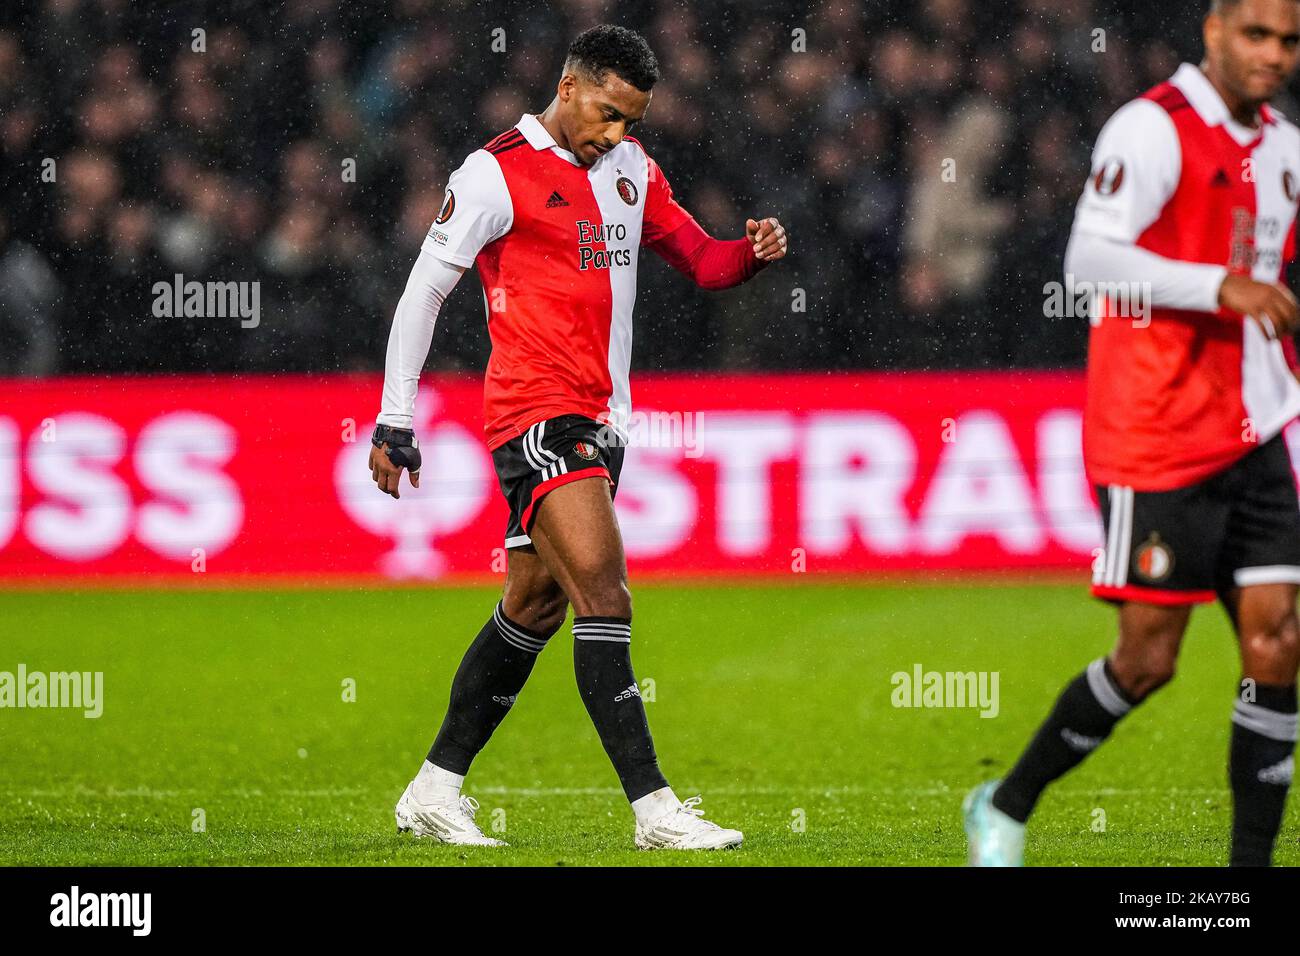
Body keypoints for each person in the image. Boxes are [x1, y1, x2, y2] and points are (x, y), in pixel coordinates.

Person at [368, 24, 787, 849]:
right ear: (568, 87)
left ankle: (433, 788)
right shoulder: (493, 174)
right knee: (607, 594)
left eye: (630, 120)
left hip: (606, 422)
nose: (614, 134)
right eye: (605, 112)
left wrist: (752, 255)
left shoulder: (632, 171)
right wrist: (395, 415)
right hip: (533, 414)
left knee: (533, 603)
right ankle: (655, 811)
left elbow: (701, 261)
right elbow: (424, 294)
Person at [966, 0, 1300, 866]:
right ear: (1215, 32)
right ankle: (1004, 803)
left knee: (1279, 643)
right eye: (1257, 35)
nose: (1273, 55)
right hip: (1153, 430)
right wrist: (1220, 287)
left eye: (1290, 40)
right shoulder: (1150, 129)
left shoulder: (1287, 147)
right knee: (1148, 661)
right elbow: (1091, 258)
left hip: (1253, 426)